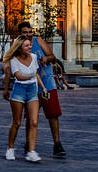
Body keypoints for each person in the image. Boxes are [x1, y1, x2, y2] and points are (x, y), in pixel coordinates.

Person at [11, 22, 67, 158]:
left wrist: (46, 58)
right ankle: (29, 144)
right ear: (20, 34)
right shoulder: (16, 46)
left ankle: (57, 144)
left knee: (53, 114)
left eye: (30, 32)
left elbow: (53, 57)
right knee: (30, 117)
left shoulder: (38, 41)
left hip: (47, 84)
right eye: (25, 32)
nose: (28, 35)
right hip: (30, 86)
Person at [2, 37, 49, 163]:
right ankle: (10, 148)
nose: (30, 47)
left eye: (30, 45)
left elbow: (37, 74)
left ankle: (31, 151)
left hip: (32, 91)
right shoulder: (14, 60)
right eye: (26, 46)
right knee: (17, 123)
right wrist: (32, 75)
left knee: (34, 121)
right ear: (19, 48)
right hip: (19, 91)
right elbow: (19, 76)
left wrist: (43, 88)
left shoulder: (34, 57)